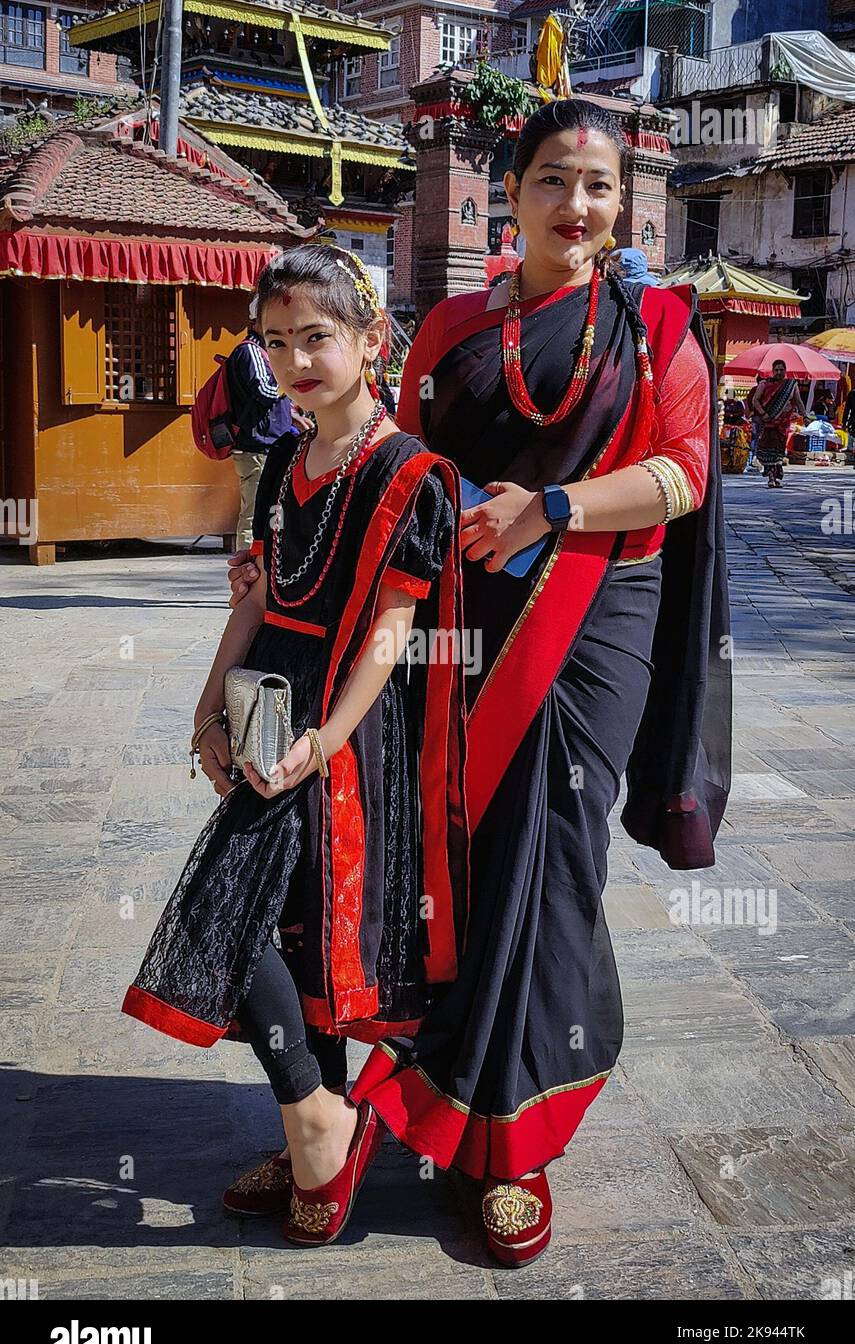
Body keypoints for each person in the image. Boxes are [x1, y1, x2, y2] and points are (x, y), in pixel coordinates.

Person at [229, 97, 731, 1268]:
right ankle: (367, 1108)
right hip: (451, 619)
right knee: (428, 855)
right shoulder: (453, 327)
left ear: (625, 201)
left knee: (548, 852)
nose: (580, 204)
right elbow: (396, 470)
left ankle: (511, 1142)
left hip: (594, 613)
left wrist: (551, 507)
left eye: (602, 185)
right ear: (511, 190)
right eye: (555, 179)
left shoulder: (657, 326)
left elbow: (689, 474)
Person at [120, 245, 468, 1247]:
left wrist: (326, 741)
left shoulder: (411, 475)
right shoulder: (286, 457)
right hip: (271, 699)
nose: (295, 361)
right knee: (276, 928)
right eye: (276, 344)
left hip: (348, 735)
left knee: (245, 916)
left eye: (315, 338)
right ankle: (316, 1116)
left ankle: (318, 1121)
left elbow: (395, 631)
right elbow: (265, 590)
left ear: (371, 340)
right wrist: (204, 705)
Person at [226, 321, 299, 549]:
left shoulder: (261, 351)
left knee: (271, 512)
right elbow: (265, 391)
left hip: (268, 444)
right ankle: (247, 566)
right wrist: (288, 380)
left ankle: (267, 561)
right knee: (253, 513)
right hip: (257, 446)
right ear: (255, 322)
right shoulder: (251, 350)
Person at [753, 359, 806, 487]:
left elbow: (798, 401)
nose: (778, 372)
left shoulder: (791, 385)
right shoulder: (764, 384)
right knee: (768, 450)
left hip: (783, 424)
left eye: (781, 370)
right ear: (772, 371)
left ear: (785, 371)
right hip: (769, 422)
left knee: (779, 451)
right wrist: (764, 414)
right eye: (776, 370)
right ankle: (771, 477)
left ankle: (776, 477)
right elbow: (755, 400)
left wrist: (805, 416)